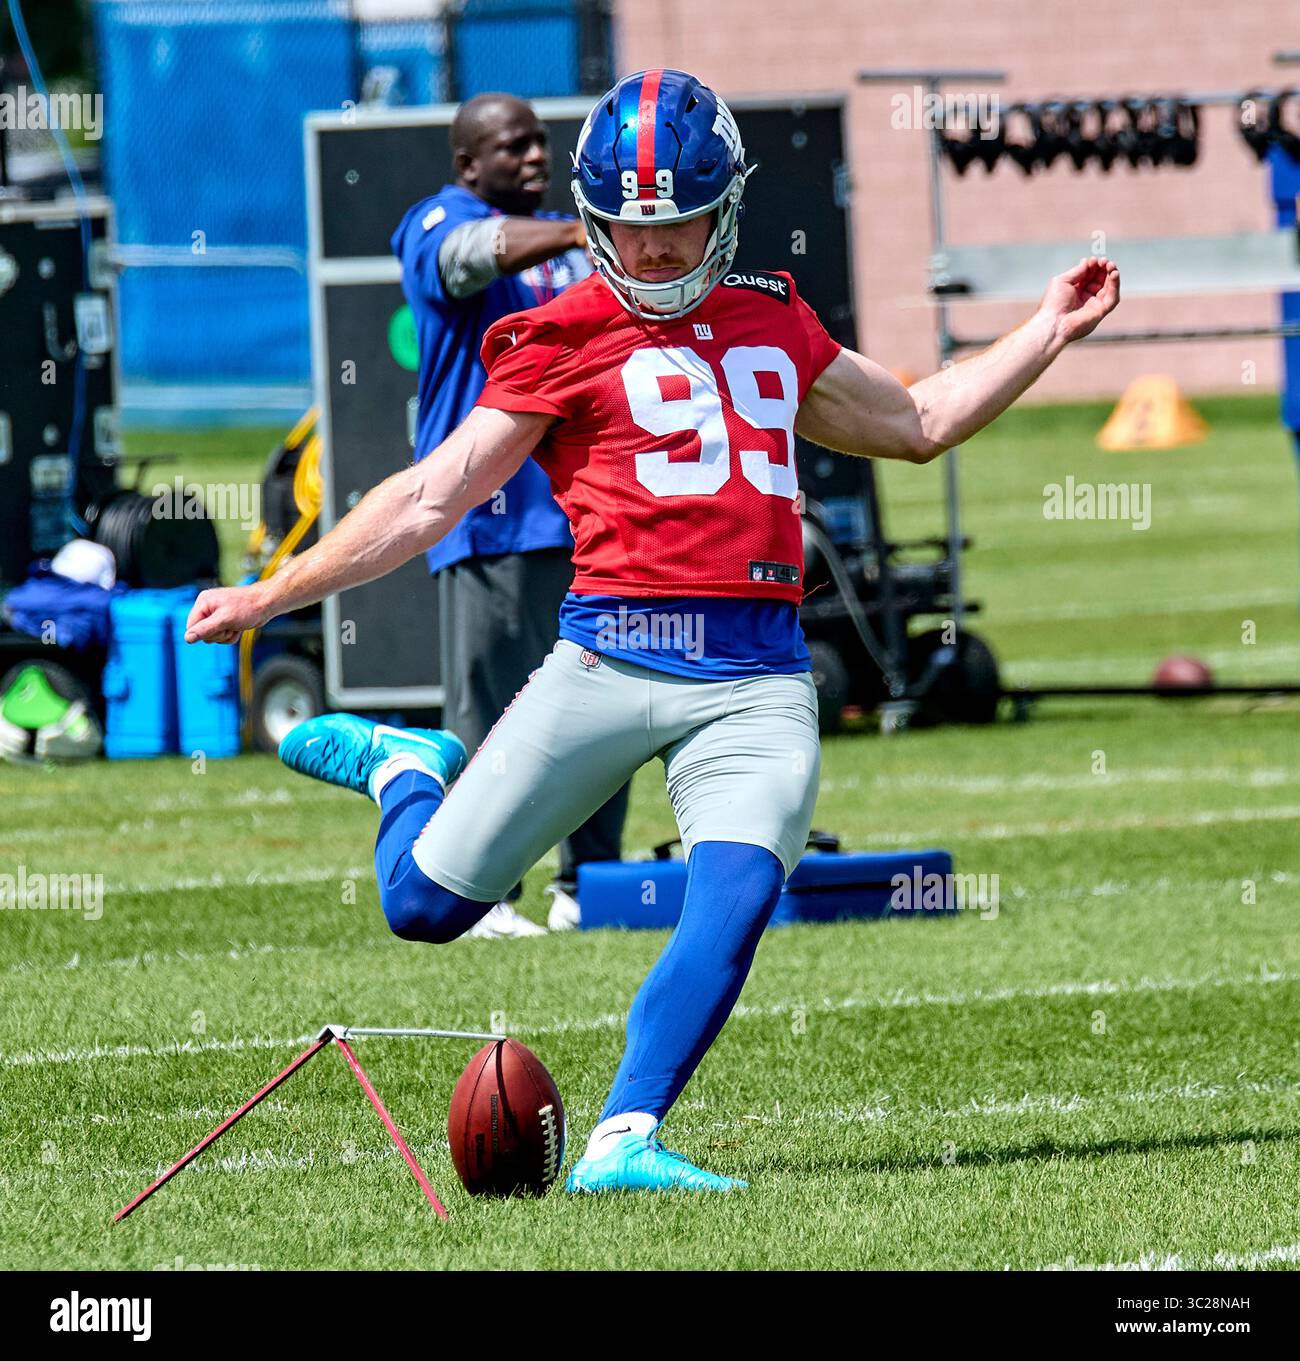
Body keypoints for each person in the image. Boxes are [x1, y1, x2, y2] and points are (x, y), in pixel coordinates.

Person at [186, 68, 1120, 1193]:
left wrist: (1047, 331)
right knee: (423, 905)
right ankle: (403, 768)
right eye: (633, 231)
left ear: (722, 208)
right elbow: (432, 498)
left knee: (736, 889)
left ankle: (625, 1135)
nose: (661, 252)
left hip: (757, 674)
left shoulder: (773, 315)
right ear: (593, 225)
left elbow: (917, 421)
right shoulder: (557, 331)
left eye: (680, 223)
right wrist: (268, 594)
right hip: (608, 655)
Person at [391, 91, 628, 938]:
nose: (533, 156)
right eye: (511, 146)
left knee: (611, 703)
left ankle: (590, 884)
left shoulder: (577, 237)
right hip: (489, 514)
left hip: (589, 515)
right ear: (467, 163)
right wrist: (578, 233)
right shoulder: (433, 221)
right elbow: (467, 256)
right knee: (488, 709)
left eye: (539, 143)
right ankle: (479, 890)